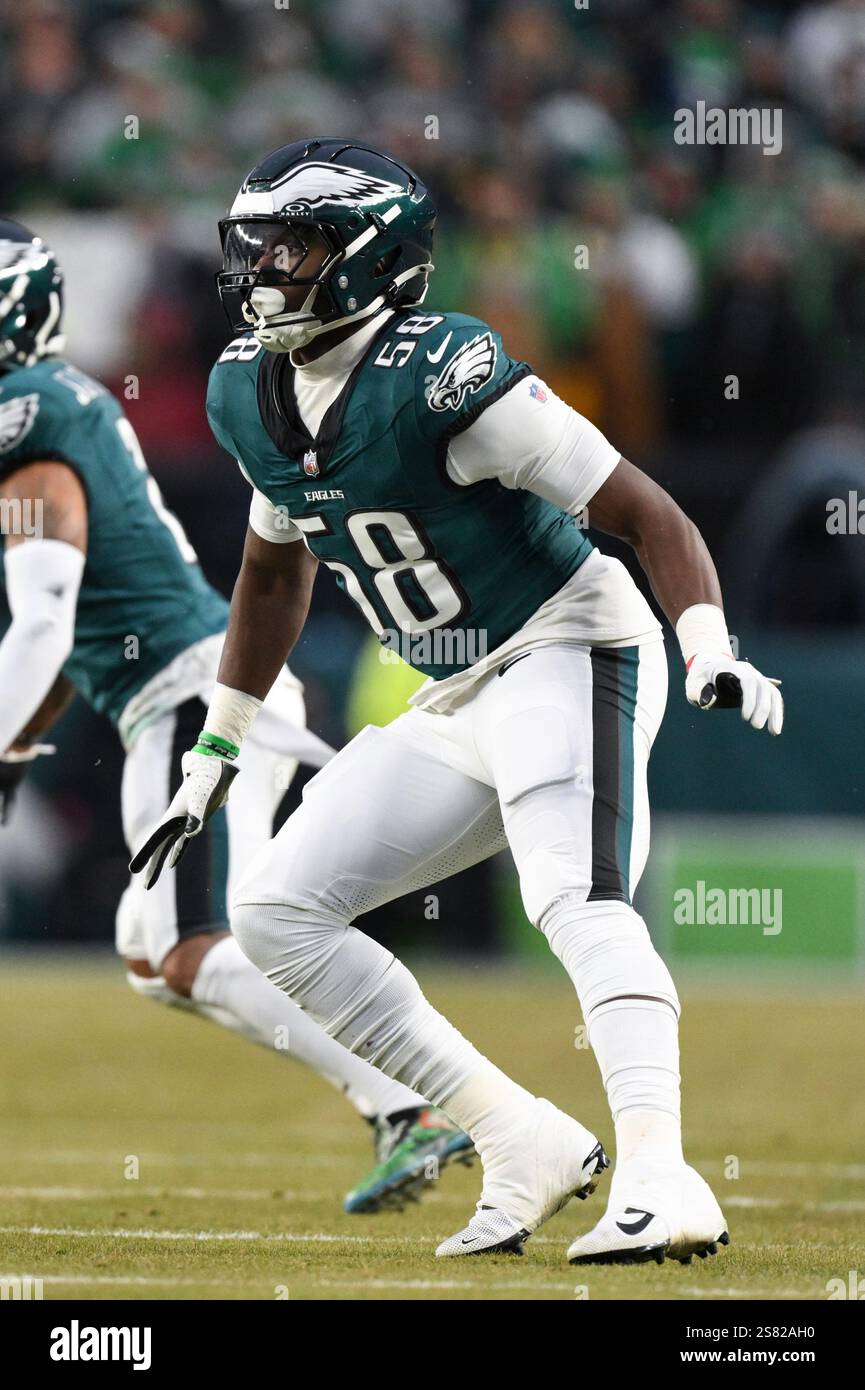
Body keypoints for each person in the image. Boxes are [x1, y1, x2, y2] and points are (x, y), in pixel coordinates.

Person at [133, 139, 783, 1264]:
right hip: (459, 686)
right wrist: (214, 753)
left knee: (573, 896)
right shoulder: (249, 386)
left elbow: (649, 514)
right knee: (276, 908)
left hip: (568, 644)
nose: (267, 268)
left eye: (297, 245)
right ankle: (517, 1134)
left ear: (369, 258)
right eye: (261, 245)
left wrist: (707, 646)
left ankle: (664, 1175)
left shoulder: (447, 379)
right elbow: (274, 570)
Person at [0, 217, 473, 1215]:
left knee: (189, 943)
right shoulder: (52, 404)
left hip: (192, 696)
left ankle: (415, 1103)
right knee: (155, 948)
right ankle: (414, 1094)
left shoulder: (29, 410)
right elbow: (64, 630)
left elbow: (42, 621)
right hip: (166, 698)